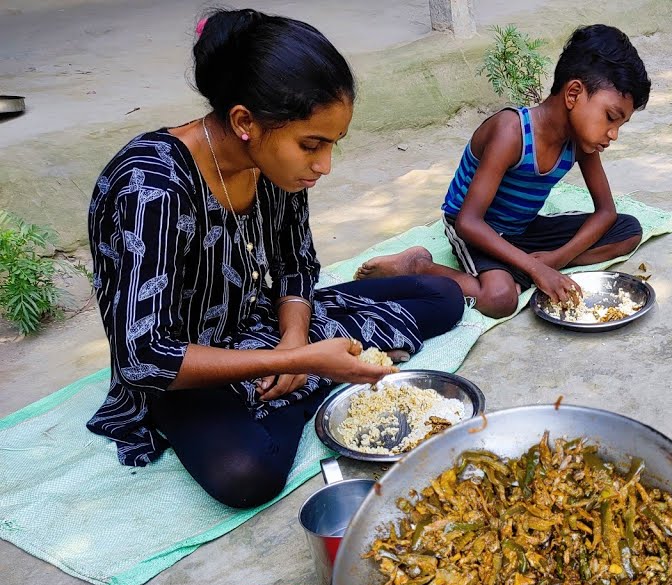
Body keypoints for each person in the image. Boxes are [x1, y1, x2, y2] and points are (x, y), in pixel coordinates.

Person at [86, 9, 464, 508]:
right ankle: (308, 384)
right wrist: (298, 359)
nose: (324, 165)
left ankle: (300, 382)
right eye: (312, 145)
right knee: (246, 475)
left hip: (261, 325)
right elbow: (143, 356)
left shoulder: (275, 167)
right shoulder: (151, 189)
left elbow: (296, 264)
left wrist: (293, 335)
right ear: (245, 122)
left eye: (332, 145)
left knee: (444, 295)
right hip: (182, 371)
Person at [355, 24, 650, 318]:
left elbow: (606, 212)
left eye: (619, 125)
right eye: (610, 118)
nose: (613, 134)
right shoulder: (511, 132)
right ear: (573, 93)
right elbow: (468, 222)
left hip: (522, 228)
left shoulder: (582, 143)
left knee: (628, 232)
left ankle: (520, 266)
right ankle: (418, 266)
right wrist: (535, 267)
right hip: (479, 227)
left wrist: (555, 259)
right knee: (499, 298)